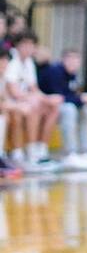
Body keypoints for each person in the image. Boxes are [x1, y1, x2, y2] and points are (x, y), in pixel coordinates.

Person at [36, 48, 87, 172]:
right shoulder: (55, 72)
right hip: (46, 108)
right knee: (69, 110)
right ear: (63, 60)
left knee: (85, 110)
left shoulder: (71, 75)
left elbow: (70, 95)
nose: (73, 62)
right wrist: (83, 98)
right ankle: (69, 154)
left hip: (58, 106)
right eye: (70, 59)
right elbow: (59, 97)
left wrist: (85, 98)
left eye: (77, 59)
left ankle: (86, 152)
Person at [4, 31, 63, 174]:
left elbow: (34, 88)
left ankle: (41, 150)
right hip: (11, 100)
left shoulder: (29, 62)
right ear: (17, 45)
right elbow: (14, 92)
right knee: (33, 106)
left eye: (31, 44)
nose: (28, 47)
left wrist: (48, 99)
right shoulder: (12, 60)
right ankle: (27, 153)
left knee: (53, 108)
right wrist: (34, 98)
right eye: (24, 44)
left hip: (25, 100)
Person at [0, 46, 23, 179]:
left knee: (4, 115)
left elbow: (4, 99)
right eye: (2, 60)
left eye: (6, 60)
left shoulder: (3, 78)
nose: (5, 63)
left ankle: (2, 156)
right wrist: (16, 107)